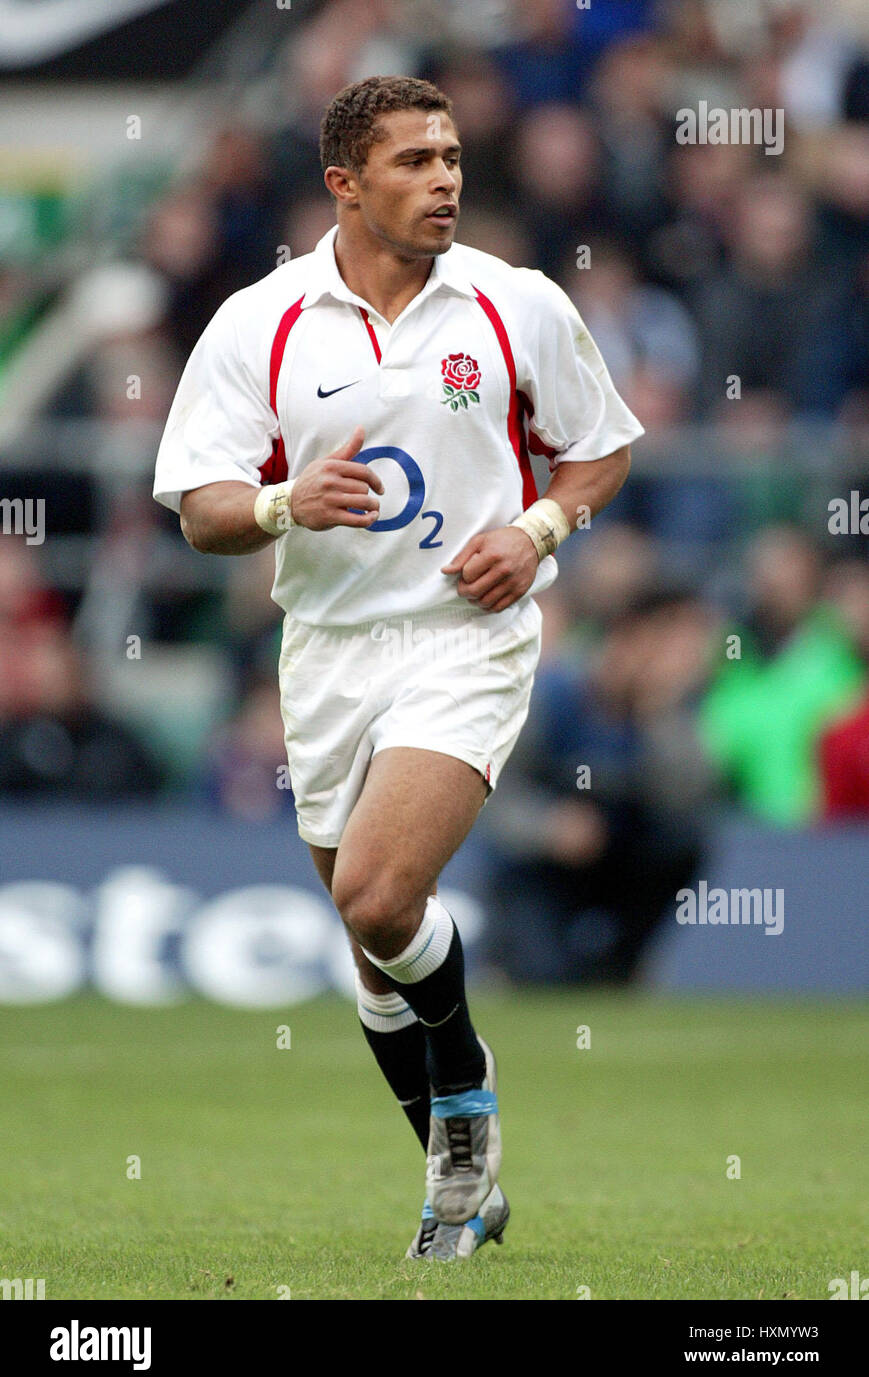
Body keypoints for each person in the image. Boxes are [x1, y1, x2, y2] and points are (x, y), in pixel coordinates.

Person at [153, 76, 642, 1261]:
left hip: (463, 638)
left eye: (453, 158)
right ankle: (459, 1186)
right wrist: (279, 501)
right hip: (326, 649)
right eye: (415, 162)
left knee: (377, 894)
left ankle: (463, 1097)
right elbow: (199, 510)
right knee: (372, 946)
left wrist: (533, 535)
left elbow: (600, 449)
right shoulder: (258, 321)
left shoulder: (513, 304)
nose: (445, 181)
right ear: (344, 184)